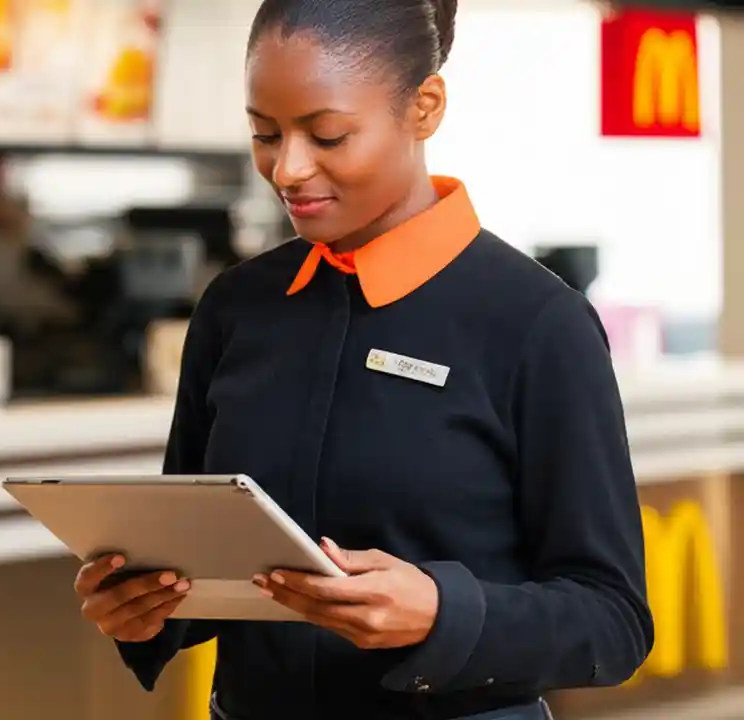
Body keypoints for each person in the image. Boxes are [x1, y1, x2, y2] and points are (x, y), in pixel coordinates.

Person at [72, 0, 655, 717]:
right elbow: (200, 565)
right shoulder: (236, 308)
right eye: (264, 134)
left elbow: (612, 622)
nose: (288, 169)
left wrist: (443, 614)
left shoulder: (537, 324)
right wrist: (142, 608)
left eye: (328, 135)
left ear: (425, 107)